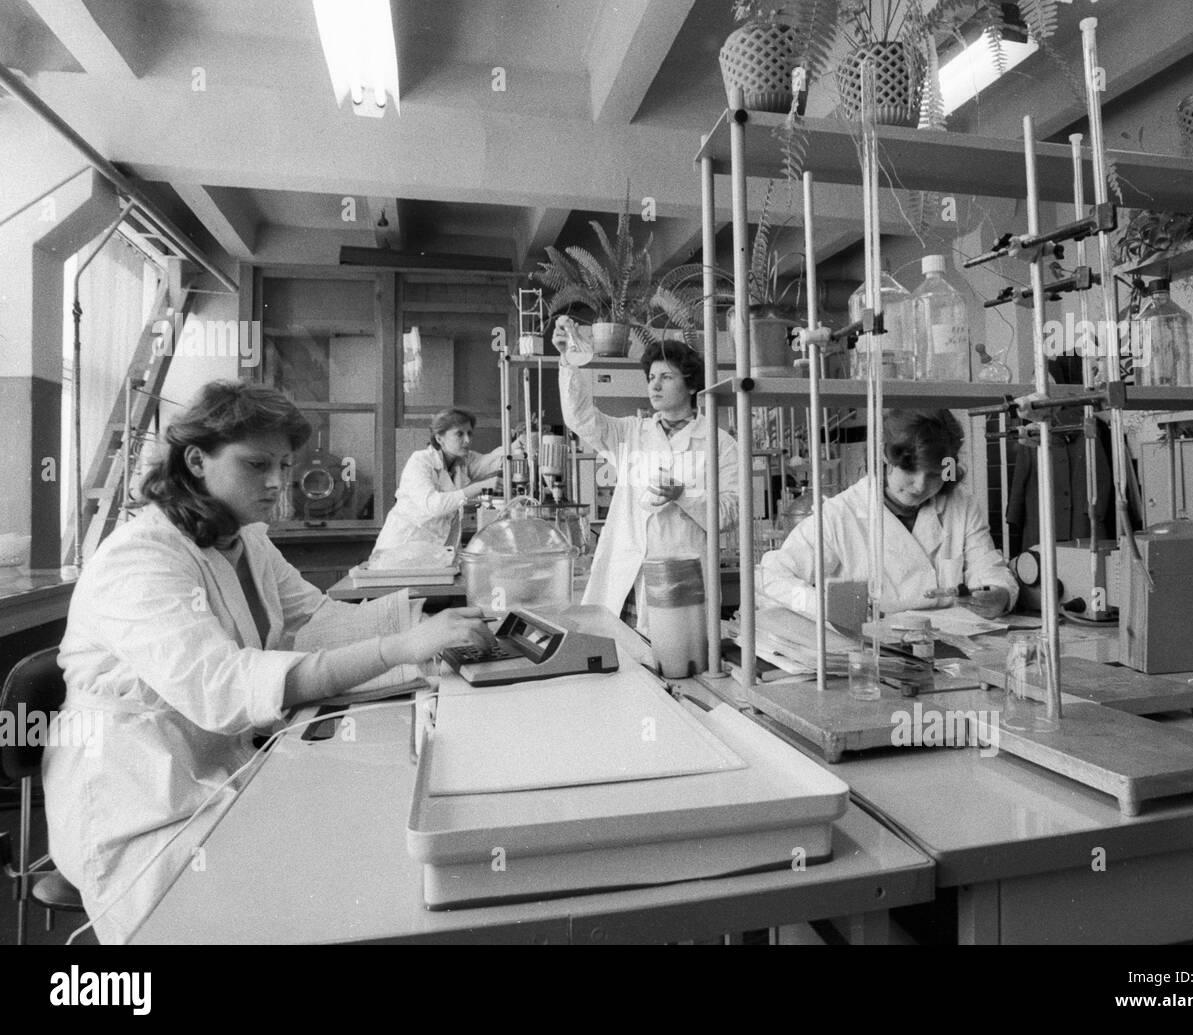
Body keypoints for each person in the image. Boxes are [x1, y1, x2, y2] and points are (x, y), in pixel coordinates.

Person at [43, 381, 495, 944]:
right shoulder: (139, 558)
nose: (279, 481)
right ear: (196, 460)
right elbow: (226, 689)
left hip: (217, 762)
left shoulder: (245, 540)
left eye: (283, 463)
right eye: (258, 464)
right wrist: (404, 647)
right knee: (291, 902)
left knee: (359, 845)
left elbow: (320, 621)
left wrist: (438, 622)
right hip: (139, 795)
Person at [553, 319, 739, 628]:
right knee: (622, 665)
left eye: (666, 377)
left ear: (692, 385)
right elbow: (580, 417)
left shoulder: (721, 444)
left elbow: (731, 514)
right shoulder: (630, 432)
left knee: (677, 665)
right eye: (651, 377)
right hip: (627, 580)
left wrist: (684, 495)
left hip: (681, 581)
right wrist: (568, 360)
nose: (654, 385)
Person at [760, 408, 1017, 624]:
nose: (919, 486)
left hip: (953, 643)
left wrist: (999, 594)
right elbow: (769, 577)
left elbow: (986, 565)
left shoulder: (959, 503)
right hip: (874, 649)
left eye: (933, 475)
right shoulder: (840, 514)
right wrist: (830, 608)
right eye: (910, 472)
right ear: (885, 457)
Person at [371, 409, 504, 558]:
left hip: (431, 554)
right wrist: (480, 487)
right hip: (400, 551)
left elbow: (498, 460)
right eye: (459, 434)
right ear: (440, 439)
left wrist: (524, 439)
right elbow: (434, 506)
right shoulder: (420, 461)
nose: (467, 440)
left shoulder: (462, 461)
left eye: (469, 433)